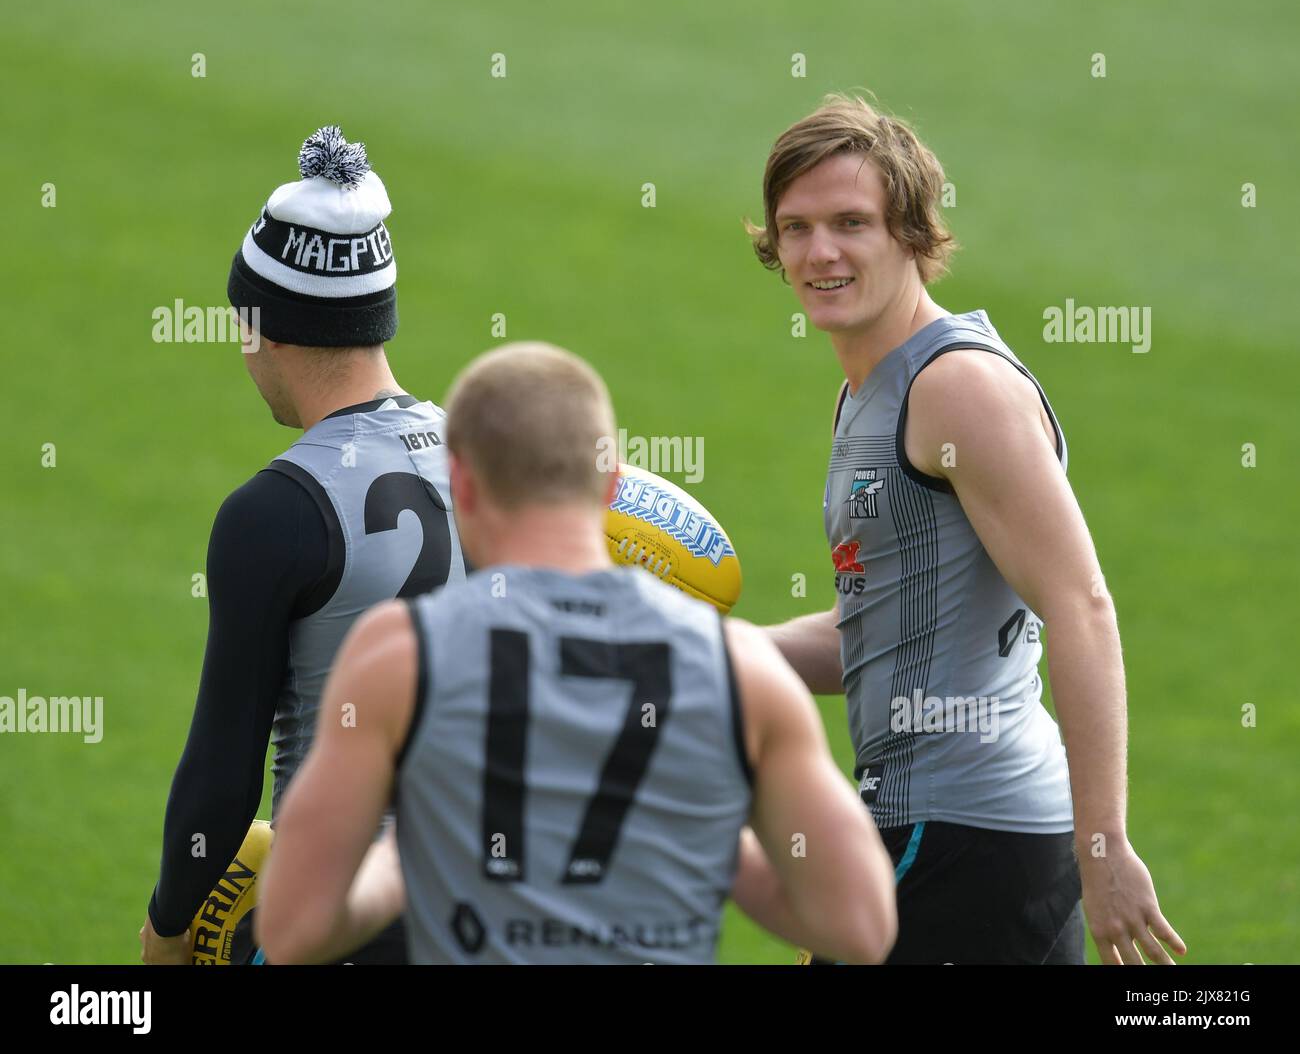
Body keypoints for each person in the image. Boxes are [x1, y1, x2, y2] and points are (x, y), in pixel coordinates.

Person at [255, 342, 897, 964]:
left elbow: (291, 929)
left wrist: (400, 859)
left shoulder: (398, 654)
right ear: (614, 481)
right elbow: (862, 926)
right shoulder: (737, 667)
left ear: (461, 485)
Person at [749, 93, 1186, 965]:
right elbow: (891, 634)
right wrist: (708, 647)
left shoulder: (954, 388)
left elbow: (1082, 603)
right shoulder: (870, 389)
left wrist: (1104, 848)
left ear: (912, 232)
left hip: (970, 840)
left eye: (850, 223)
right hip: (929, 832)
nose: (819, 252)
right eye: (795, 228)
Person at [140, 126, 468, 965]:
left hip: (347, 917)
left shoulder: (273, 512)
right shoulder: (493, 456)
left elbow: (221, 774)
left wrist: (169, 926)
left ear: (265, 327)